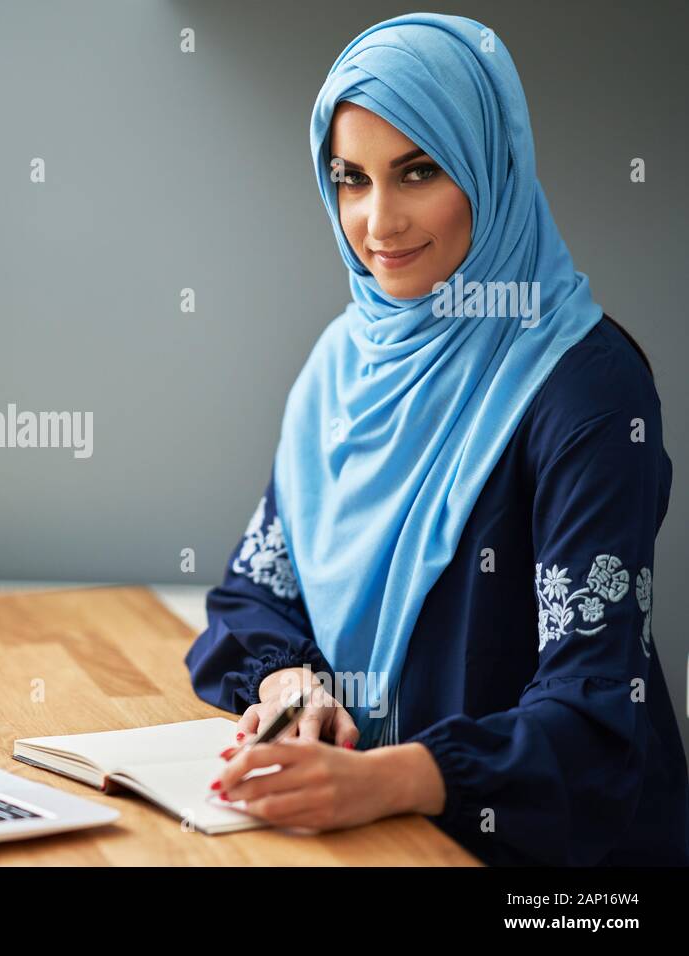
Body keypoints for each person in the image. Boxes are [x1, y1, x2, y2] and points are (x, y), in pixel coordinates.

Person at [184, 12, 689, 866]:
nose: (378, 222)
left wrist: (390, 778)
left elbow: (596, 710)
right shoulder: (344, 362)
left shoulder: (589, 390)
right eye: (350, 178)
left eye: (417, 171)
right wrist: (291, 682)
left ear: (492, 170)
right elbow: (257, 593)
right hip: (362, 833)